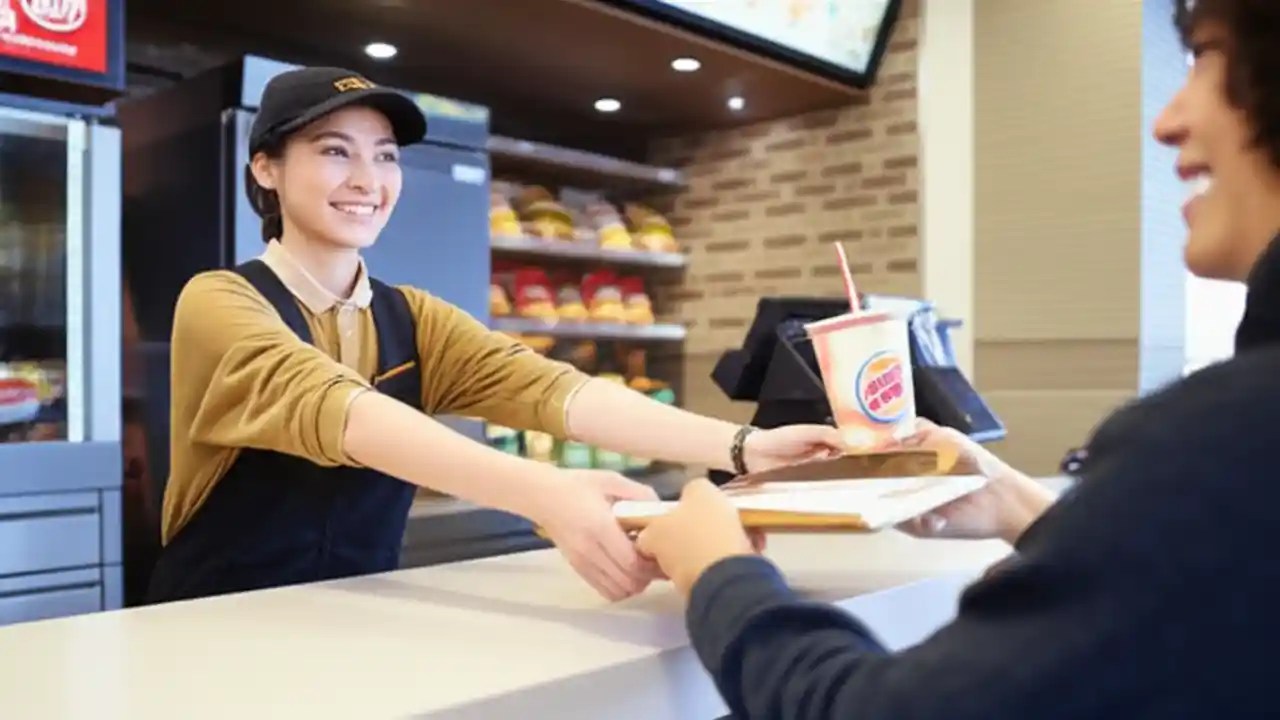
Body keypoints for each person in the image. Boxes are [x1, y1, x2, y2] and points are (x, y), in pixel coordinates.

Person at [635, 1, 1280, 717]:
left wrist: (718, 571)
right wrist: (1011, 502)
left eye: (1209, 58)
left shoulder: (1229, 436)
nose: (1167, 121)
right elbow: (1194, 591)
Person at [146, 66, 843, 605]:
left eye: (385, 157)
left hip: (356, 616)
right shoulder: (219, 302)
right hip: (213, 625)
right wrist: (545, 493)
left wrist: (744, 445)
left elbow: (553, 392)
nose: (368, 180)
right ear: (266, 168)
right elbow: (336, 408)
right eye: (335, 152)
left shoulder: (410, 317)